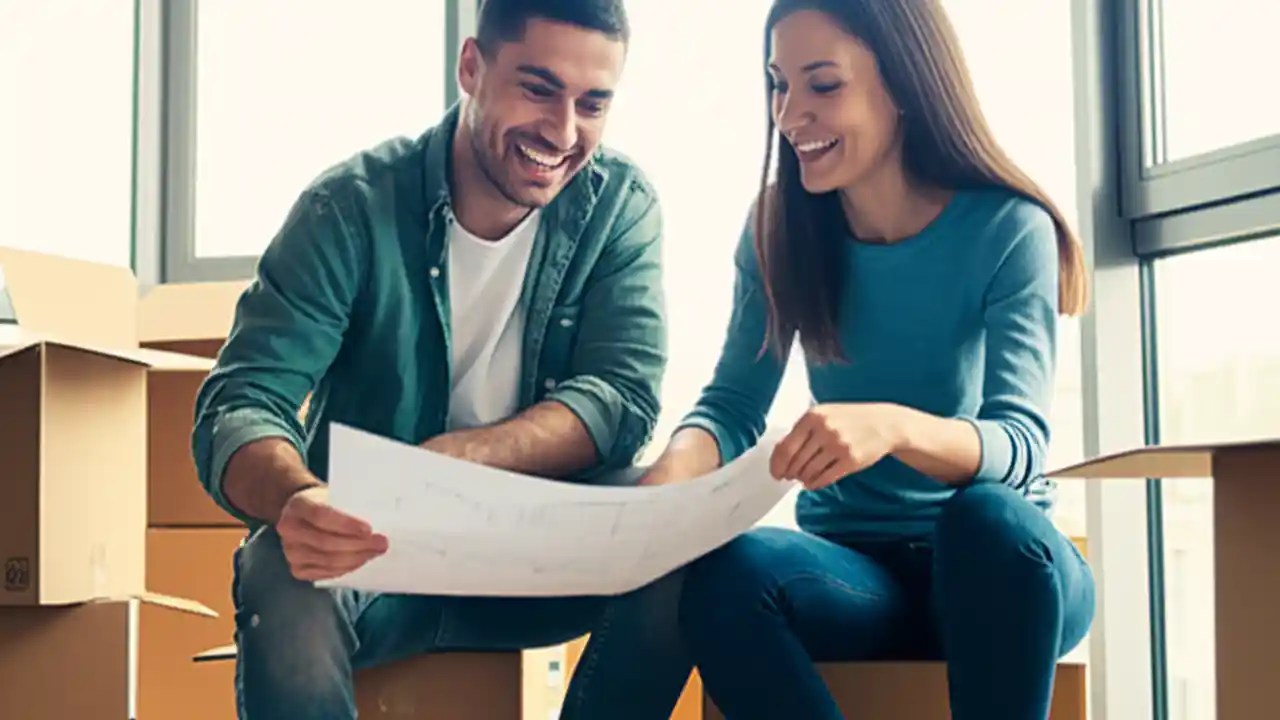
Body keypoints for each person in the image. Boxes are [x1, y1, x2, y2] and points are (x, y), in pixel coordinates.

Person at [189, 1, 674, 718]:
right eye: (538, 89)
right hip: (376, 554)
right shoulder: (348, 209)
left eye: (592, 103)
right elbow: (240, 403)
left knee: (682, 540)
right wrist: (299, 501)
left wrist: (461, 460)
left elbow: (622, 396)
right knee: (278, 565)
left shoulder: (619, 207)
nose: (564, 132)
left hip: (538, 552)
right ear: (472, 67)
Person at [630, 0, 1096, 718]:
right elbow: (731, 406)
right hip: (855, 579)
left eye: (823, 84)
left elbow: (1022, 447)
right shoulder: (777, 227)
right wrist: (668, 478)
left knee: (987, 522)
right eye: (778, 85)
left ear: (905, 85)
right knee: (727, 574)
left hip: (1000, 579)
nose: (789, 116)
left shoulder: (1008, 229)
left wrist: (895, 428)